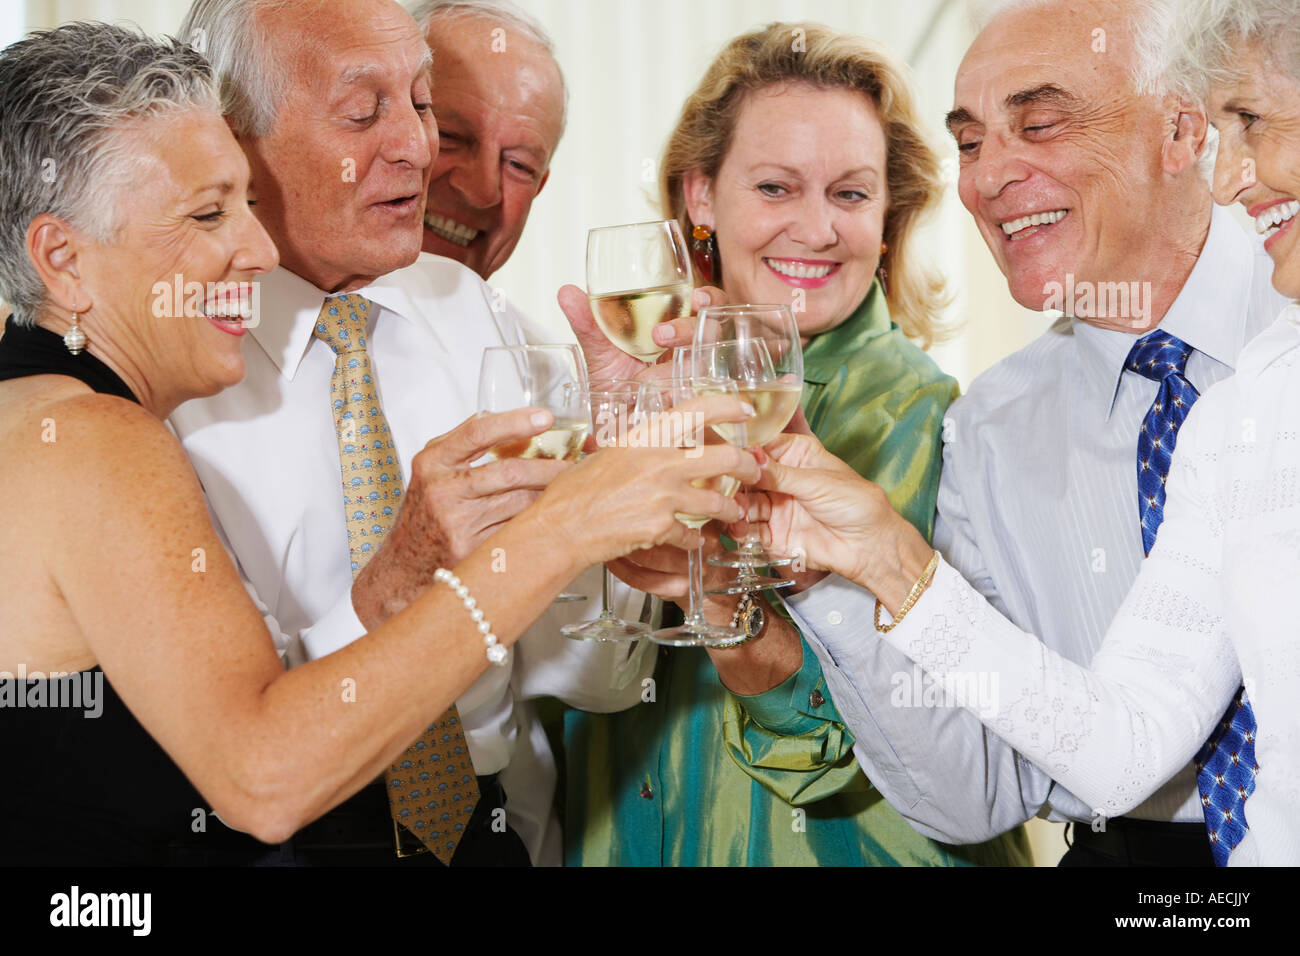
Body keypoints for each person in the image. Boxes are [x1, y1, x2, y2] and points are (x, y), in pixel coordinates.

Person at [0, 20, 756, 867]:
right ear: (61, 258)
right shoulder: (95, 435)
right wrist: (556, 529)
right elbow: (263, 775)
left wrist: (611, 476)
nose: (255, 246)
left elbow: (584, 675)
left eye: (424, 103)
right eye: (212, 210)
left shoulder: (56, 412)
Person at [752, 0, 1300, 865]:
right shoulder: (989, 430)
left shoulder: (1280, 343)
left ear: (1181, 131)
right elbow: (1002, 782)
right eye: (969, 144)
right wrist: (842, 568)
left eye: (1038, 124)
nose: (987, 178)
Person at [555, 22, 1030, 866]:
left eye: (850, 195)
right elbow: (565, 679)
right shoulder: (632, 385)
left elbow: (890, 746)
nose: (814, 230)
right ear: (700, 197)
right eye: (776, 187)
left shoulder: (943, 423)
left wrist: (727, 606)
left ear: (888, 220)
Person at [411, 0, 565, 284]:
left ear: (539, 187)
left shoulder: (523, 330)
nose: (481, 192)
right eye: (450, 136)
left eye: (519, 165)